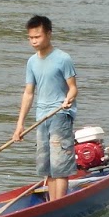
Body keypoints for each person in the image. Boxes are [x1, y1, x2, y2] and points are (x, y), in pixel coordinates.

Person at [13, 14, 78, 200]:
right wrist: (20, 125)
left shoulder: (63, 58)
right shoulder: (31, 62)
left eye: (37, 37)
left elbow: (73, 89)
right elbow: (28, 93)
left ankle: (58, 204)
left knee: (60, 166)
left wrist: (68, 99)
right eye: (31, 38)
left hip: (60, 115)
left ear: (48, 34)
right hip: (41, 118)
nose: (34, 41)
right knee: (47, 167)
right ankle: (52, 203)